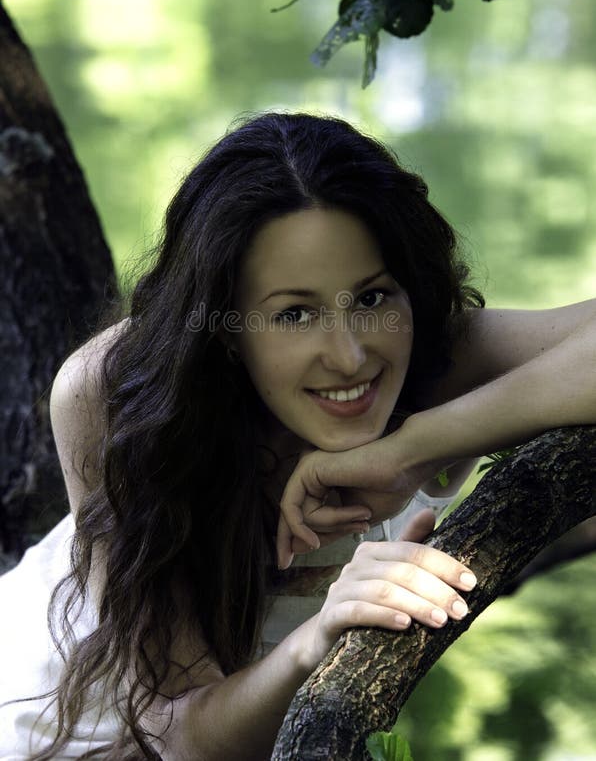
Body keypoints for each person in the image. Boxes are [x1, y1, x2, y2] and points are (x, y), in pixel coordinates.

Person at [0, 112, 594, 760]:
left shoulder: (431, 352)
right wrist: (317, 642)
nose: (349, 356)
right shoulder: (113, 393)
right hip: (73, 729)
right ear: (227, 326)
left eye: (371, 297)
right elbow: (179, 738)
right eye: (294, 314)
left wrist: (412, 447)